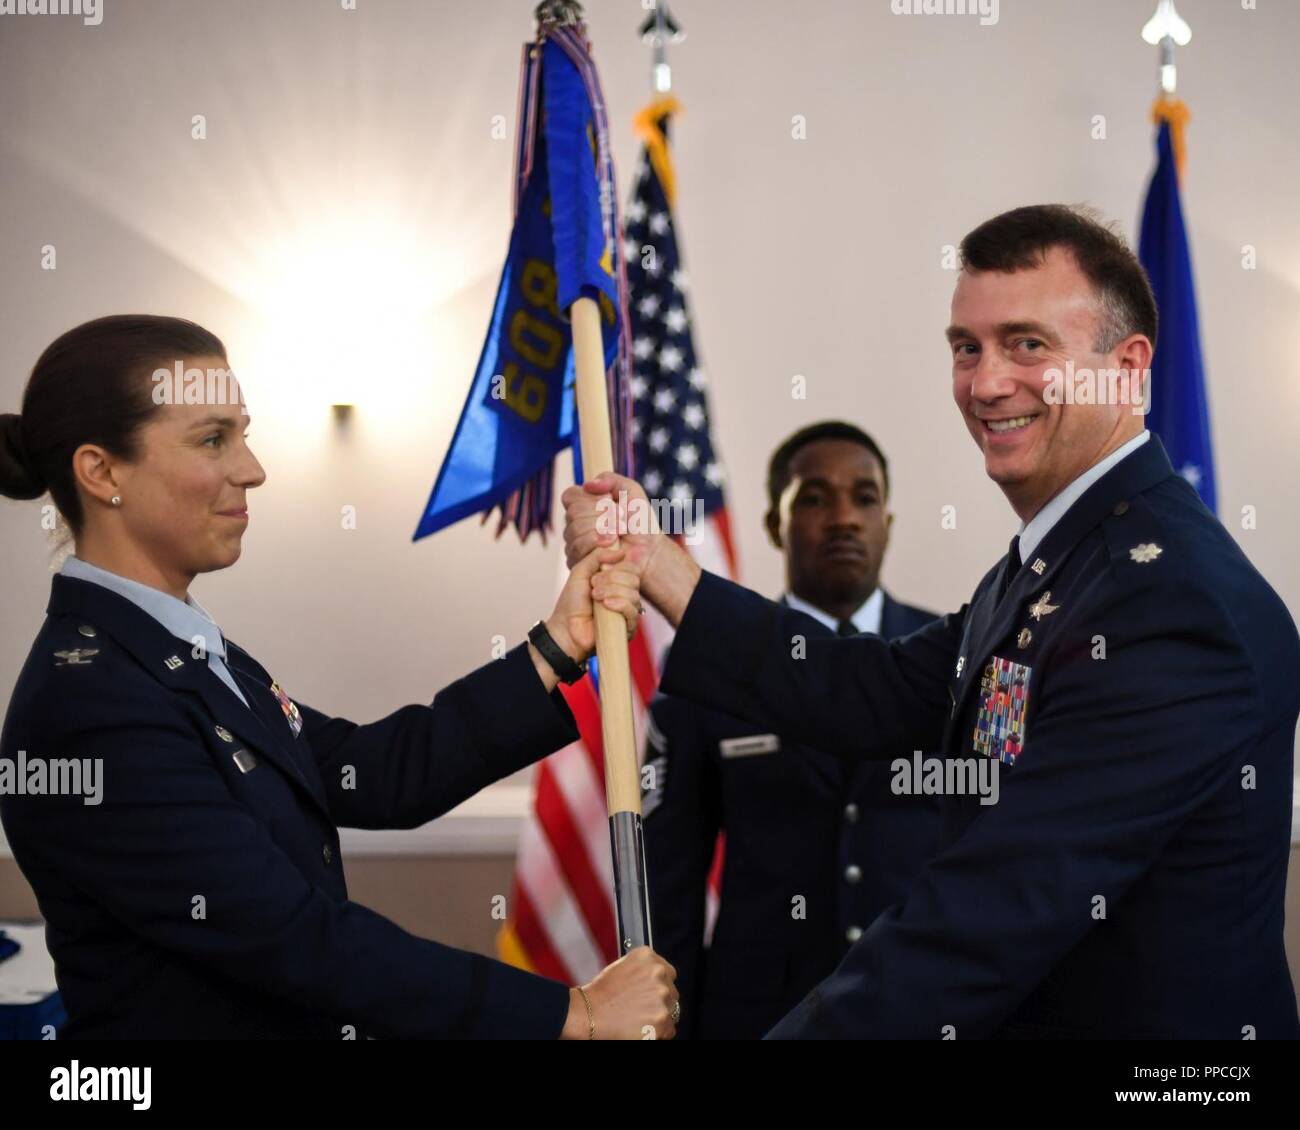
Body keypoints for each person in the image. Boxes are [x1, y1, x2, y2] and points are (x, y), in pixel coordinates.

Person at [563, 205, 1300, 1039]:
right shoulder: (1060, 560)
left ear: (1126, 371)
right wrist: (661, 564)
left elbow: (991, 912)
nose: (986, 383)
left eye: (1028, 345)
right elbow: (867, 687)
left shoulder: (1169, 605)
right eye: (966, 347)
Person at [0, 314, 677, 1040]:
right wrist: (572, 1012)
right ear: (102, 471)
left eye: (244, 432)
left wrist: (556, 646)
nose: (252, 468)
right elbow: (292, 940)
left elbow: (368, 771)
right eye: (212, 438)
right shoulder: (92, 699)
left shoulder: (176, 646)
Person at [642, 421, 943, 1038]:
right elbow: (671, 879)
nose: (843, 519)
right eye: (814, 497)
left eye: (864, 498)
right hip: (760, 1014)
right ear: (775, 525)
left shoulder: (948, 658)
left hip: (919, 1007)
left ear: (887, 521)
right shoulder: (713, 664)